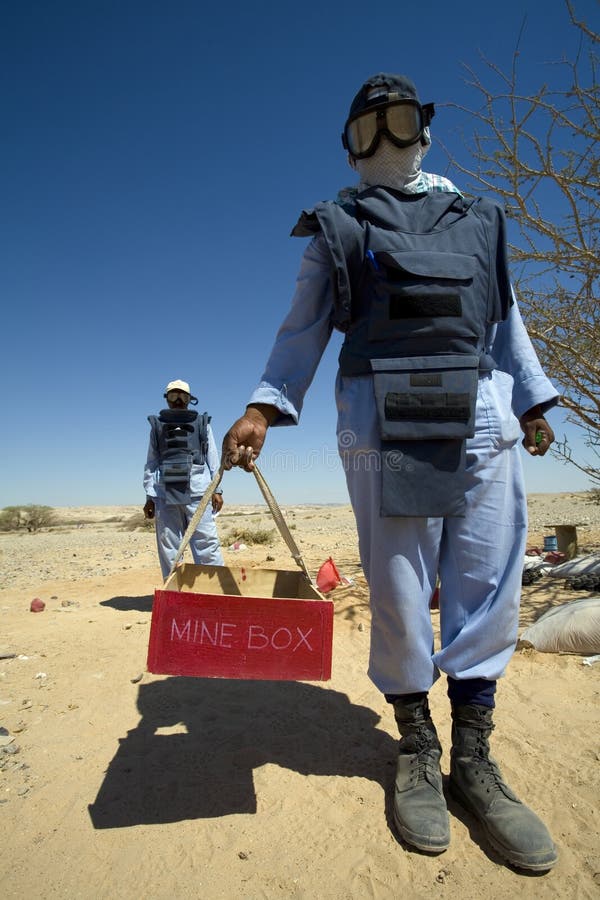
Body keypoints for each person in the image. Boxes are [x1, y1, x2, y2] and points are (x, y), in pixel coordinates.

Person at [222, 73, 560, 871]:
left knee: (487, 579)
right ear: (348, 143)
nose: (385, 142)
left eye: (399, 123)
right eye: (367, 129)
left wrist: (534, 402)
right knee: (401, 585)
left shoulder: (482, 220)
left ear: (426, 130)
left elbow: (508, 321)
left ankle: (474, 762)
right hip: (379, 414)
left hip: (480, 410)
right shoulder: (336, 225)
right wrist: (263, 409)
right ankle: (415, 748)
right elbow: (300, 331)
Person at [143, 379, 224, 578]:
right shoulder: (157, 426)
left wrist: (217, 490)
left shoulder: (202, 424)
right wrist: (149, 497)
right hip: (164, 493)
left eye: (183, 396)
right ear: (167, 399)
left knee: (207, 542)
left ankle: (213, 593)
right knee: (168, 546)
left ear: (190, 399)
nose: (178, 400)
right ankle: (175, 594)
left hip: (199, 493)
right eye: (173, 396)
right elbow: (152, 462)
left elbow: (213, 458)